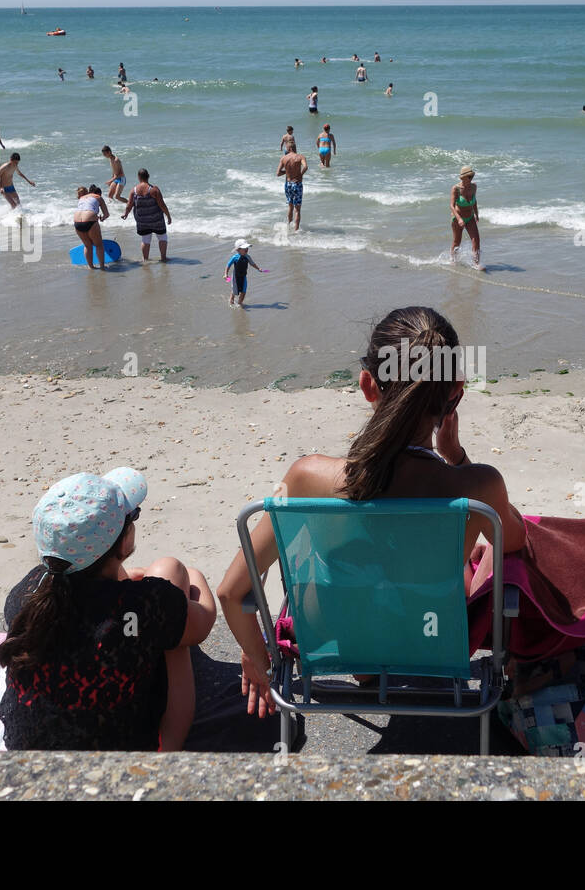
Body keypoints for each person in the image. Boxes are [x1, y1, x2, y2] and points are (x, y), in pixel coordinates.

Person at [216, 307, 527, 717]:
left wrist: (260, 660)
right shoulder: (476, 485)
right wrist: (457, 458)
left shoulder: (308, 477)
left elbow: (230, 592)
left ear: (367, 385)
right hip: (428, 638)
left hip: (338, 638)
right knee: (481, 556)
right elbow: (519, 540)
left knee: (337, 565)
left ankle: (365, 666)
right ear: (455, 393)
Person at [0, 468, 217, 750]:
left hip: (29, 753)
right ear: (124, 542)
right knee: (171, 575)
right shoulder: (145, 606)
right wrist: (191, 576)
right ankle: (167, 753)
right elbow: (204, 622)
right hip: (119, 752)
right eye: (132, 517)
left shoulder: (26, 595)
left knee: (155, 612)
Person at [121, 168, 172, 261]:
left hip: (142, 220)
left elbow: (129, 205)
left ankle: (145, 259)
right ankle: (163, 258)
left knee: (145, 239)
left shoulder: (134, 190)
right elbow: (162, 204)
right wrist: (168, 216)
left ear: (138, 177)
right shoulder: (154, 190)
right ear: (148, 176)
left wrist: (125, 214)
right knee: (162, 237)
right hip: (156, 219)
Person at [450, 165, 481, 269]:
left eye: (471, 176)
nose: (471, 179)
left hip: (470, 217)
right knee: (457, 241)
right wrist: (459, 218)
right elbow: (451, 205)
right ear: (463, 177)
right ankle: (453, 260)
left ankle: (476, 263)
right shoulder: (456, 189)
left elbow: (474, 201)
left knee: (476, 239)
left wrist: (476, 214)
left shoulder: (473, 187)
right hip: (458, 218)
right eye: (469, 177)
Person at [73, 185, 111, 269]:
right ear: (98, 193)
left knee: (87, 245)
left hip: (77, 222)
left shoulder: (82, 198)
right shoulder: (98, 197)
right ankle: (102, 267)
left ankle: (91, 267)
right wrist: (102, 218)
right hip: (90, 221)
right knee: (99, 245)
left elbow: (86, 209)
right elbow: (106, 214)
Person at [224, 239, 264, 307]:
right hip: (235, 277)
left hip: (243, 276)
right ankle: (231, 301)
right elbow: (228, 265)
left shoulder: (247, 257)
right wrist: (226, 274)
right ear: (238, 249)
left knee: (244, 291)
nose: (247, 249)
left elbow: (252, 264)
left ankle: (240, 303)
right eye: (244, 248)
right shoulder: (235, 257)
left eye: (247, 248)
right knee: (235, 291)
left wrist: (258, 268)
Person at [276, 147, 307, 231]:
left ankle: (289, 226)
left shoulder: (284, 158)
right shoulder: (300, 157)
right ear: (295, 148)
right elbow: (305, 167)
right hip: (297, 184)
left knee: (290, 206)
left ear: (289, 149)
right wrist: (300, 174)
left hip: (288, 184)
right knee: (297, 209)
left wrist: (287, 172)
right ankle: (296, 230)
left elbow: (278, 173)